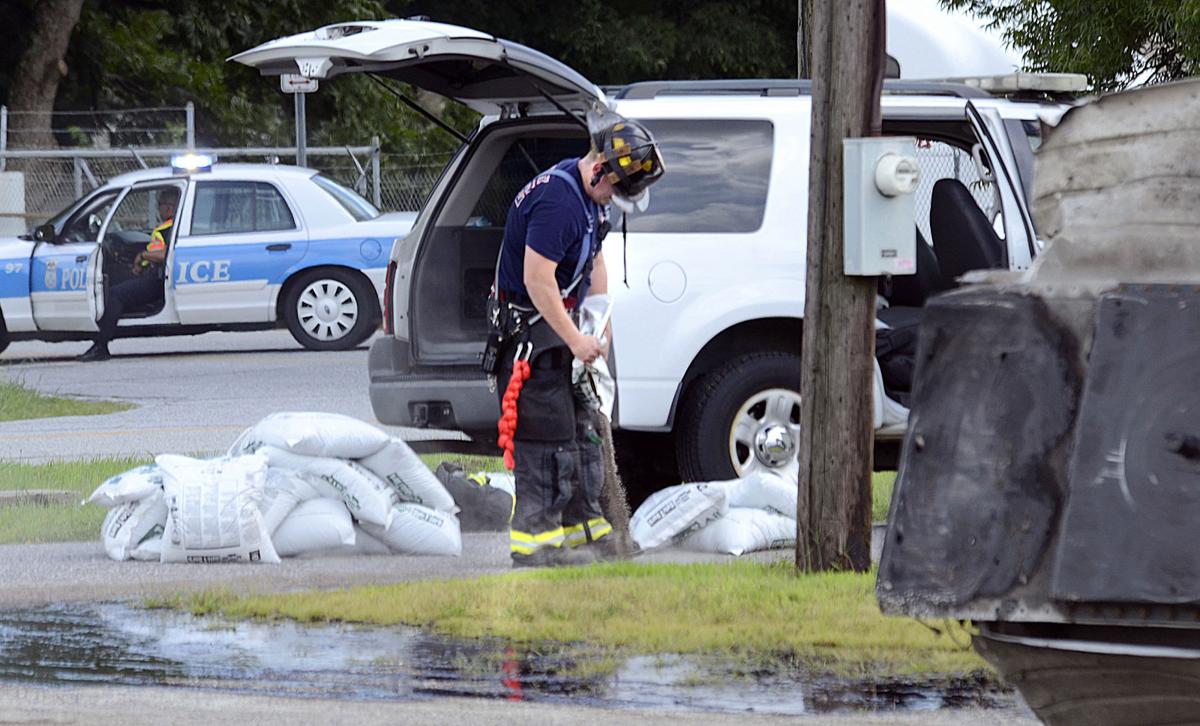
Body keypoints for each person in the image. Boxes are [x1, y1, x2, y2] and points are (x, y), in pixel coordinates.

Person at [491, 114, 664, 568]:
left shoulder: (592, 200)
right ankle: (537, 547)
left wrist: (599, 323)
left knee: (580, 436)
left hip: (560, 335)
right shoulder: (558, 201)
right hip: (532, 338)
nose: (613, 199)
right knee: (546, 444)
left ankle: (587, 534)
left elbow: (597, 263)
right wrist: (574, 339)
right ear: (599, 169)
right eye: (614, 190)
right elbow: (537, 280)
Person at [79, 187, 178, 362]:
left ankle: (101, 345)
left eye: (160, 205)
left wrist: (143, 256)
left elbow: (165, 254)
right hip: (157, 276)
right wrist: (141, 262)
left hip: (158, 281)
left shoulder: (170, 228)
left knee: (116, 294)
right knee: (118, 281)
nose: (159, 209)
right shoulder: (172, 226)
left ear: (169, 208)